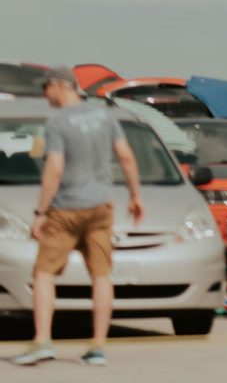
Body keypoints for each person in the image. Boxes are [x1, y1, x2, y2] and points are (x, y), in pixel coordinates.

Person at [12, 67, 144, 368]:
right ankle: (98, 347)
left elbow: (54, 169)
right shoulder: (105, 116)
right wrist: (136, 195)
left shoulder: (58, 121)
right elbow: (125, 156)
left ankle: (43, 341)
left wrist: (40, 213)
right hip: (100, 207)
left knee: (44, 273)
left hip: (66, 209)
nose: (45, 95)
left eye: (46, 88)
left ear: (61, 86)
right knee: (101, 275)